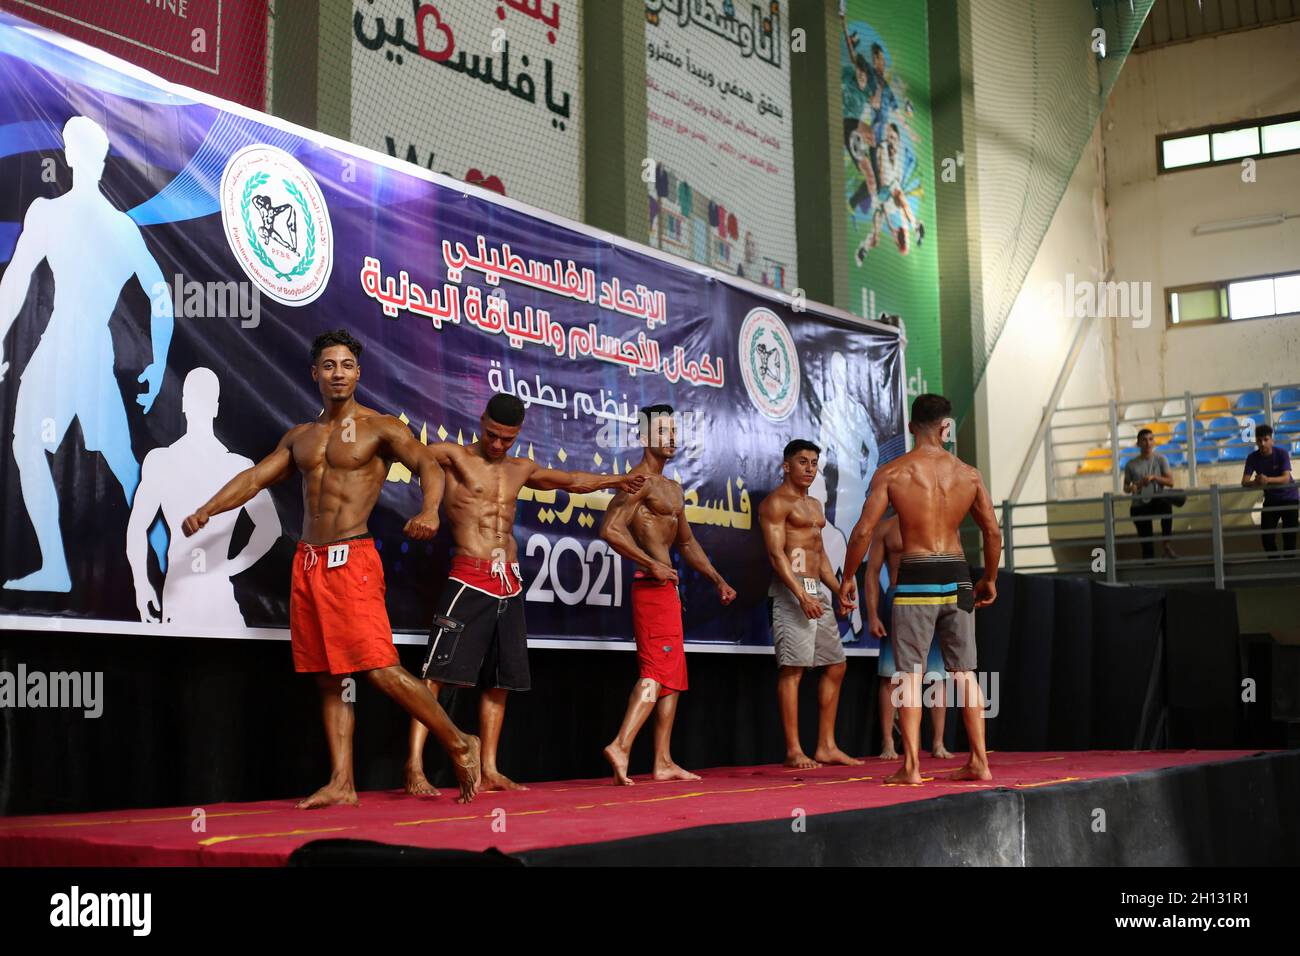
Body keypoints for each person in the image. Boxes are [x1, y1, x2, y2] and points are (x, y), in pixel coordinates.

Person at [183, 329, 481, 806]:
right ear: (315, 373)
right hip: (308, 562)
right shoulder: (301, 436)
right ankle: (342, 782)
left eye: (346, 365)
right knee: (328, 675)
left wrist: (429, 511)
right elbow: (256, 476)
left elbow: (430, 465)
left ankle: (458, 740)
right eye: (328, 365)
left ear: (357, 372)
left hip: (353, 560)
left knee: (380, 668)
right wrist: (208, 509)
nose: (337, 373)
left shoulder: (381, 427)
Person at [406, 394, 646, 794]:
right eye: (492, 435)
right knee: (436, 676)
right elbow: (405, 454)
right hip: (469, 575)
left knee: (501, 680)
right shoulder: (452, 456)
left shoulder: (520, 468)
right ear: (480, 421)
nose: (498, 445)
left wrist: (615, 481)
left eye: (508, 439)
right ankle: (414, 768)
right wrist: (429, 508)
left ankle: (490, 769)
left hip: (510, 581)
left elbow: (569, 482)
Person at [0, 115, 173, 592]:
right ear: (97, 161)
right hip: (88, 351)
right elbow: (160, 294)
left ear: (73, 157)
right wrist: (157, 363)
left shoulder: (52, 213)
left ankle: (62, 566)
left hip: (66, 350)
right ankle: (154, 559)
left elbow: (16, 279)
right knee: (122, 463)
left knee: (52, 450)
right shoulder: (117, 227)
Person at [841, 394, 1001, 785]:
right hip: (960, 576)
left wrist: (847, 577)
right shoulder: (969, 475)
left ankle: (911, 766)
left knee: (909, 675)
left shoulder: (894, 473)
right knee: (965, 673)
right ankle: (979, 761)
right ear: (946, 427)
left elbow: (863, 530)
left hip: (916, 577)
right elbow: (993, 532)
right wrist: (990, 579)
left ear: (912, 427)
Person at [599, 405, 735, 786]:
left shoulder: (671, 489)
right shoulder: (638, 481)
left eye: (674, 430)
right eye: (662, 431)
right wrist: (651, 564)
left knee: (672, 677)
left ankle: (662, 760)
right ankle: (622, 744)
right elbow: (610, 529)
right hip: (651, 587)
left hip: (667, 589)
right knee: (657, 673)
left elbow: (688, 543)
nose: (671, 437)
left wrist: (716, 579)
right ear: (645, 437)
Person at [128, 368, 281, 625]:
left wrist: (142, 585)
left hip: (208, 593)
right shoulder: (164, 461)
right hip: (185, 593)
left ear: (185, 404)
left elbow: (270, 528)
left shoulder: (238, 467)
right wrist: (141, 585)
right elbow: (136, 529)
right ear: (215, 408)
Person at [758, 440, 861, 770]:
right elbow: (776, 555)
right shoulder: (776, 503)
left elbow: (820, 556)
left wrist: (837, 589)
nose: (809, 468)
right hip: (793, 592)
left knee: (836, 664)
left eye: (814, 463)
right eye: (802, 461)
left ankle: (826, 745)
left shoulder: (815, 505)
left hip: (817, 589)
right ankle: (793, 750)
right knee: (793, 669)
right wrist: (801, 595)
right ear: (786, 465)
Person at [865, 514, 952, 761]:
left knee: (937, 675)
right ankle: (888, 742)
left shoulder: (941, 522)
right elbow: (872, 572)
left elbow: (955, 565)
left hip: (934, 597)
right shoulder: (886, 528)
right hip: (898, 596)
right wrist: (872, 614)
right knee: (891, 675)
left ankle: (938, 742)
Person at [1242, 424, 1298, 556]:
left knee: (1289, 538)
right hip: (1271, 500)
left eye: (1266, 440)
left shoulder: (1282, 454)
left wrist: (1267, 480)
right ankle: (1276, 564)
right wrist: (1256, 482)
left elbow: (1285, 478)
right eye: (1259, 440)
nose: (1262, 443)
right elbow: (1244, 481)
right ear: (1256, 441)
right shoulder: (1252, 457)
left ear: (1272, 440)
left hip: (1290, 499)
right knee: (1267, 537)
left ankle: (1289, 569)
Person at [1123, 428, 1177, 561]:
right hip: (1139, 506)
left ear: (1154, 442)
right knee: (1147, 544)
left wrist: (1154, 478)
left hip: (1156, 501)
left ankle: (1166, 545)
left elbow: (1171, 482)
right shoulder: (1131, 464)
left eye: (1150, 439)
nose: (1148, 443)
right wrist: (1132, 488)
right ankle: (1149, 566)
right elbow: (1126, 487)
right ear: (1138, 444)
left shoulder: (1161, 459)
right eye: (1144, 440)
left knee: (1166, 506)